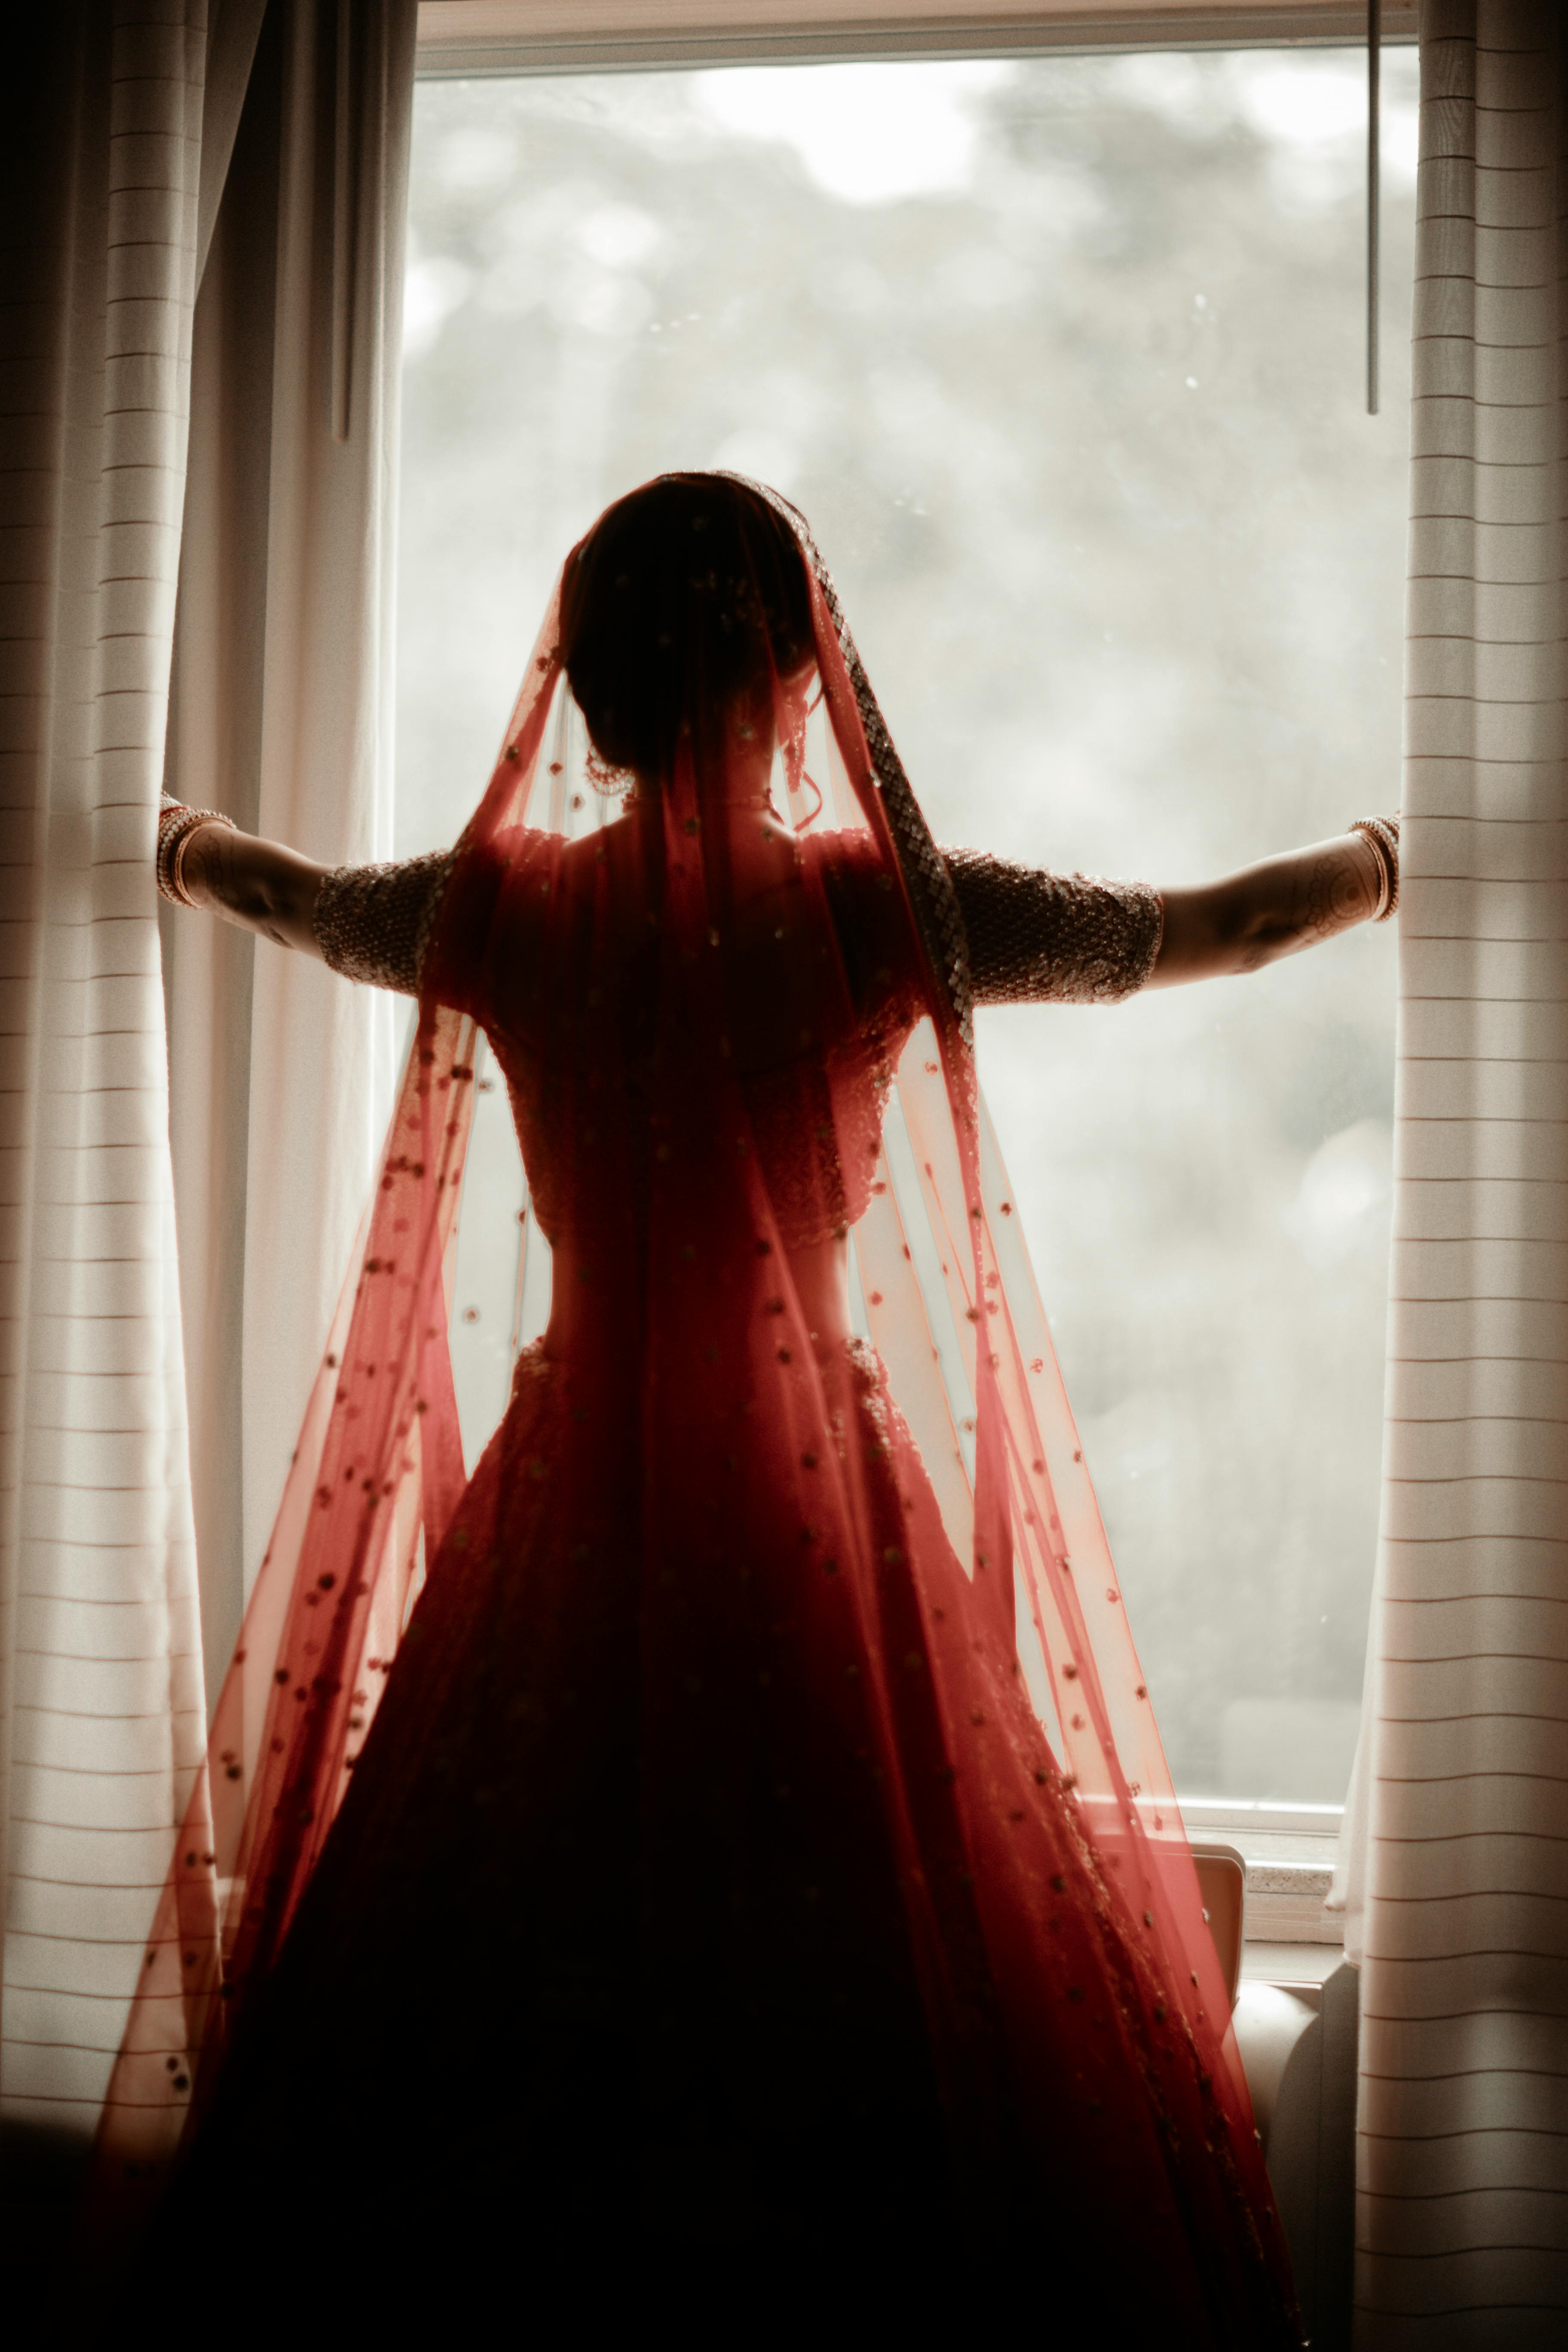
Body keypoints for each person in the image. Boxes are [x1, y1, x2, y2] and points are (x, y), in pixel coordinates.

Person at [110, 475, 1396, 2336]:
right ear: (802, 674)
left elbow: (296, 906)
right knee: (861, 2006)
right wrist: (1410, 846)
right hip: (815, 1513)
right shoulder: (879, 912)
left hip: (574, 1509)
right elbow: (1220, 931)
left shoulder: (508, 910)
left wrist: (161, 836)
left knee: (499, 2006)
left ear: (590, 690)